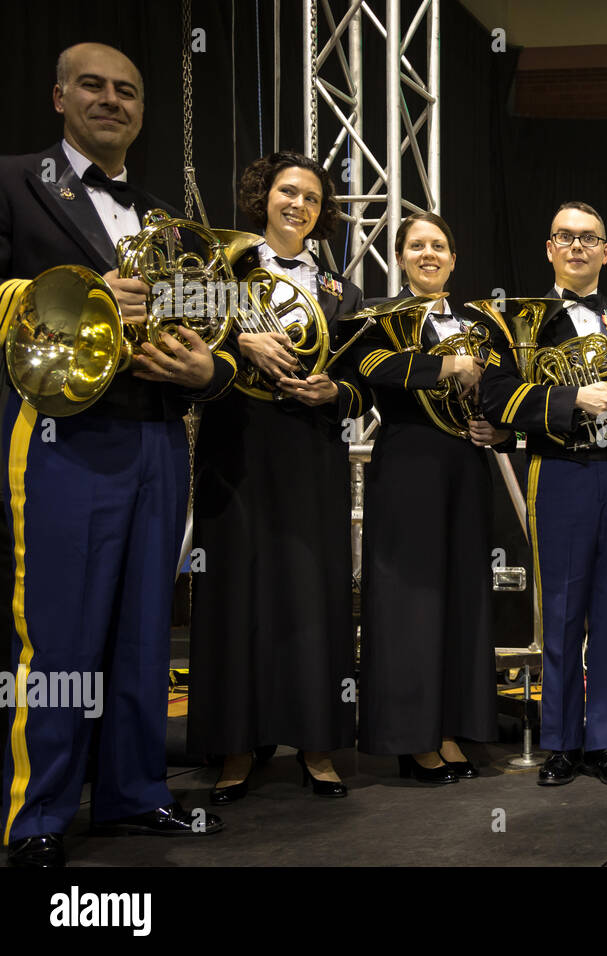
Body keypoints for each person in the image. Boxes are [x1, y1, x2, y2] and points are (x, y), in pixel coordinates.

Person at [0, 43, 234, 867]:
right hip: (65, 433)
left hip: (161, 436)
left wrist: (211, 369)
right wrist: (84, 296)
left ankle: (136, 793)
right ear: (58, 95)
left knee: (144, 629)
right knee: (59, 634)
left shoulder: (167, 215)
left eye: (127, 91)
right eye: (93, 86)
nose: (111, 100)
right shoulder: (12, 180)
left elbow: (218, 330)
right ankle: (35, 817)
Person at [186, 150, 366, 803]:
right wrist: (240, 341)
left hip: (310, 448)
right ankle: (235, 748)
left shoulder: (341, 287)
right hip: (236, 443)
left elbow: (362, 377)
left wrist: (335, 392)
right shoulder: (220, 267)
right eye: (288, 192)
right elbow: (184, 336)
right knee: (234, 591)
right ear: (263, 196)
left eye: (312, 198)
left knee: (312, 594)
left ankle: (316, 745)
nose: (299, 205)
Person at [479, 201, 607, 787]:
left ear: (606, 252)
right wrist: (569, 402)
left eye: (590, 238)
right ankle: (561, 742)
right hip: (556, 471)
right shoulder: (516, 319)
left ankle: (606, 742)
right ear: (549, 248)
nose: (578, 247)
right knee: (559, 613)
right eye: (566, 237)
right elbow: (496, 395)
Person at [355, 212, 506, 782]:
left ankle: (449, 729)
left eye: (438, 245)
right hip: (408, 464)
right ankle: (410, 738)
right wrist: (448, 363)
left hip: (466, 465)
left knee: (462, 600)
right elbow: (373, 368)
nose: (428, 254)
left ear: (453, 258)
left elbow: (503, 386)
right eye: (416, 245)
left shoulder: (479, 321)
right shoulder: (375, 315)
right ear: (398, 257)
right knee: (408, 603)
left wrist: (503, 430)